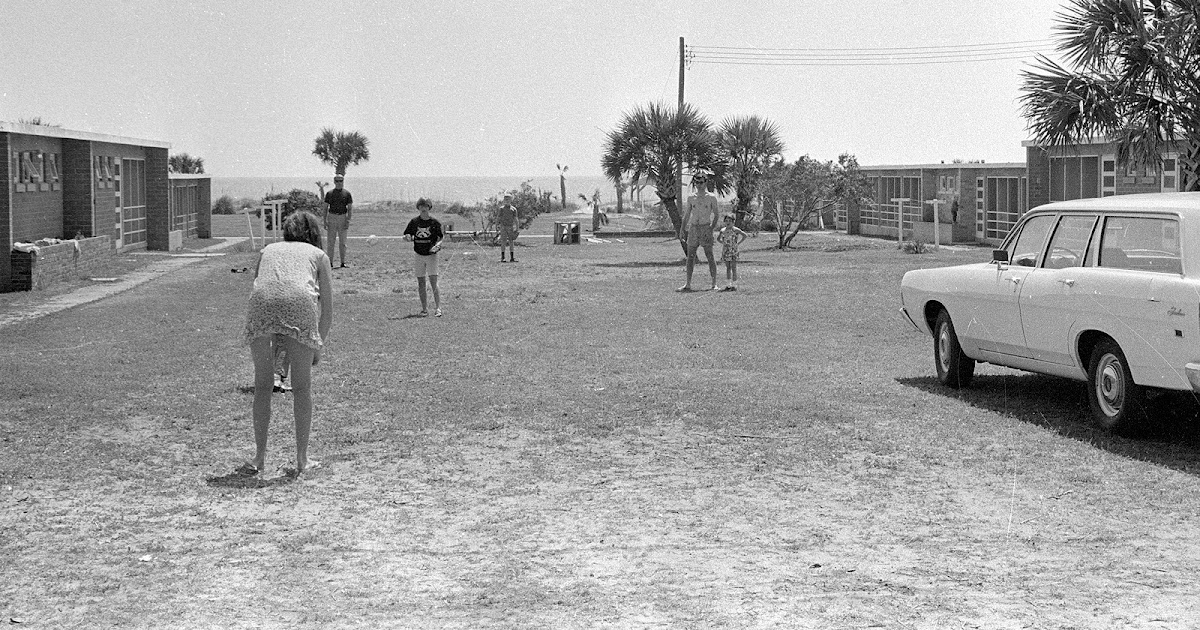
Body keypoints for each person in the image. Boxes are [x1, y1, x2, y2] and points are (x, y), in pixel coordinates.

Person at [240, 211, 333, 477]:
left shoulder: (268, 250)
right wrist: (316, 345)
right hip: (299, 304)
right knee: (302, 388)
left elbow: (261, 286)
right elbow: (327, 310)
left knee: (262, 385)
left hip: (261, 304)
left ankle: (259, 458)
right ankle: (302, 459)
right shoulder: (319, 255)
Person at [677, 174, 720, 292]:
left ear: (705, 183)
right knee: (690, 257)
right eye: (696, 182)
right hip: (693, 228)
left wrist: (710, 229)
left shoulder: (711, 197)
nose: (698, 185)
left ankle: (714, 284)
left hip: (705, 227)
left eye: (701, 182)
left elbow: (716, 215)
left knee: (709, 255)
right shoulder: (691, 197)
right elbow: (687, 215)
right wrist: (682, 229)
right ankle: (688, 284)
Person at [403, 197, 444, 316]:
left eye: (426, 206)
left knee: (433, 281)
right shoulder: (414, 222)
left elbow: (441, 237)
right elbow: (407, 234)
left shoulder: (434, 222)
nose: (423, 208)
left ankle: (438, 308)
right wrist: (407, 237)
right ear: (418, 208)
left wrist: (437, 245)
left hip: (431, 255)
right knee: (421, 282)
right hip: (419, 255)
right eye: (421, 206)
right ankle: (424, 309)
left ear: (429, 207)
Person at [323, 173, 353, 268]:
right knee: (331, 242)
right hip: (332, 217)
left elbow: (350, 208)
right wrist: (324, 220)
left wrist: (348, 220)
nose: (339, 183)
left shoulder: (347, 194)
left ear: (343, 181)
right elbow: (325, 208)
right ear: (334, 182)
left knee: (343, 242)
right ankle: (330, 263)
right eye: (337, 181)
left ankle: (342, 262)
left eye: (341, 181)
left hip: (342, 218)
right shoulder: (329, 194)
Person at [715, 214, 749, 291]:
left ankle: (734, 285)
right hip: (726, 251)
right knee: (728, 268)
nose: (728, 222)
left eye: (730, 221)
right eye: (726, 221)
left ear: (733, 222)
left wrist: (738, 243)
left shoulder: (735, 230)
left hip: (733, 251)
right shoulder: (722, 230)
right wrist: (723, 243)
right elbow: (718, 239)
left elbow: (744, 235)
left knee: (733, 267)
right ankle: (728, 284)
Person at [497, 192, 519, 262]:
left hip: (510, 227)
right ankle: (503, 257)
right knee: (503, 241)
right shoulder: (501, 209)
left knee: (511, 242)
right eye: (505, 199)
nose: (507, 201)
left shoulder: (513, 209)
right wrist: (497, 225)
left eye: (508, 199)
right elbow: (498, 218)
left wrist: (517, 227)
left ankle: (512, 257)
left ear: (511, 200)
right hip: (503, 227)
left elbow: (515, 219)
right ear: (503, 200)